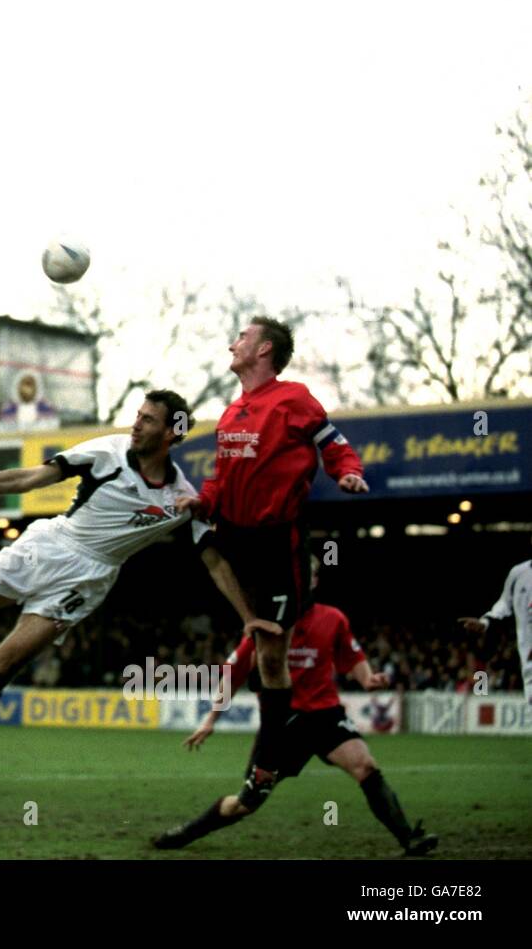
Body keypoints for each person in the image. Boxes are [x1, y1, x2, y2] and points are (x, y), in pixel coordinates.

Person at [0, 391, 261, 785]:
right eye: (137, 416)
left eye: (148, 420)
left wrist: (248, 619)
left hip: (87, 580)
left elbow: (214, 560)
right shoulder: (107, 452)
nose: (136, 425)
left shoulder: (183, 499)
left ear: (172, 432)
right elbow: (28, 479)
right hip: (47, 547)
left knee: (0, 669)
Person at [175, 317, 368, 814]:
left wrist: (347, 473)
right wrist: (202, 502)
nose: (232, 342)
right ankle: (268, 758)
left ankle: (267, 761)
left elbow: (334, 444)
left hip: (275, 543)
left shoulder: (294, 398)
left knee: (271, 656)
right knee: (259, 646)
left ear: (263, 350)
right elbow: (220, 477)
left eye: (241, 336)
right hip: (232, 537)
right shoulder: (231, 412)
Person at [153, 557, 439, 856]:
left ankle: (410, 839)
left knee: (365, 766)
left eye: (307, 576)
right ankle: (186, 833)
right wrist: (210, 719)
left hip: (325, 716)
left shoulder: (333, 619)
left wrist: (369, 680)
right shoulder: (265, 626)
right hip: (281, 726)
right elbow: (232, 675)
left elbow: (352, 659)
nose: (301, 582)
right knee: (245, 804)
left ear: (314, 581)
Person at [458, 540, 532, 703]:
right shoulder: (518, 574)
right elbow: (504, 604)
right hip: (529, 664)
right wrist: (484, 622)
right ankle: (479, 699)